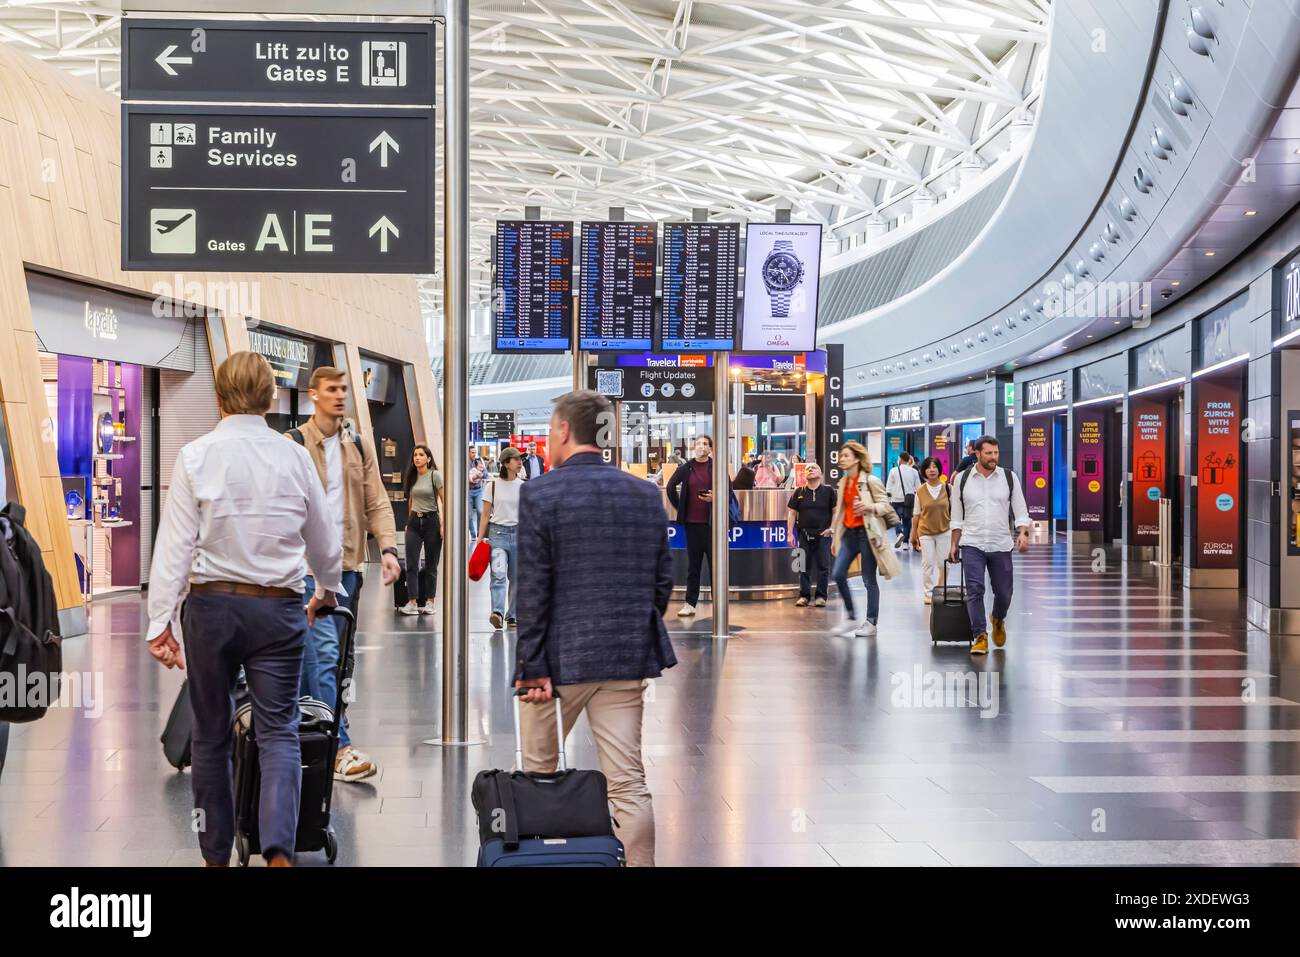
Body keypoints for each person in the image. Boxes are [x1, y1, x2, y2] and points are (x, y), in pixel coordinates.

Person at [146, 351, 343, 866]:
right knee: (279, 733)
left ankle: (215, 858)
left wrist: (159, 621)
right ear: (270, 396)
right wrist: (326, 589)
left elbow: (174, 547)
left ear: (218, 397)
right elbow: (324, 541)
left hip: (210, 609)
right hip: (278, 609)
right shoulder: (295, 455)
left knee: (211, 736)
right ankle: (278, 855)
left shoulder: (195, 456)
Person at [514, 390, 675, 868]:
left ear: (564, 430)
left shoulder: (540, 493)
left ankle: (539, 861)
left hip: (555, 668)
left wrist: (531, 666)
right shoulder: (645, 494)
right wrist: (632, 626)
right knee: (627, 780)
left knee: (539, 775)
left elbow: (533, 589)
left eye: (549, 428)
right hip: (625, 659)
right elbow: (663, 580)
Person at [288, 366, 401, 784]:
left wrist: (387, 548)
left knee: (327, 661)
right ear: (313, 395)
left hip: (348, 568)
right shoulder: (295, 445)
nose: (340, 396)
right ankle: (339, 747)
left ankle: (305, 737)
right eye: (332, 390)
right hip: (304, 570)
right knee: (325, 657)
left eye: (344, 389)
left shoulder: (358, 445)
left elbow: (376, 501)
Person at [948, 435, 1031, 656]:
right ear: (976, 453)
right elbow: (956, 517)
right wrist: (954, 544)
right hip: (972, 542)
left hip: (1001, 543)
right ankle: (980, 635)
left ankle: (998, 618)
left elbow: (1021, 511)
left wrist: (1023, 532)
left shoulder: (1008, 478)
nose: (994, 457)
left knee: (1004, 593)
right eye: (988, 453)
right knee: (975, 590)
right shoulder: (962, 480)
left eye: (996, 453)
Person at [665, 434, 735, 617]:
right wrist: (681, 506)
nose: (701, 446)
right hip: (691, 524)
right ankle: (690, 603)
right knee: (693, 566)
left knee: (715, 565)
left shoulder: (717, 468)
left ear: (711, 449)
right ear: (692, 447)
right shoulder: (686, 467)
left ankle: (718, 604)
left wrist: (715, 498)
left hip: (713, 524)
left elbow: (728, 493)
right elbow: (671, 487)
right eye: (698, 444)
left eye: (705, 444)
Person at [830, 441, 896, 637]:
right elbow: (841, 511)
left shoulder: (871, 481)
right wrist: (834, 533)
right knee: (839, 574)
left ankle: (871, 622)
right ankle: (850, 617)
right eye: (841, 456)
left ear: (857, 458)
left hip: (868, 534)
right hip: (849, 534)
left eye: (846, 456)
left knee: (868, 579)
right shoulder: (843, 483)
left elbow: (886, 506)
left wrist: (869, 508)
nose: (841, 459)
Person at [478, 446, 524, 630]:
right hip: (497, 535)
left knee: (516, 578)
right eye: (516, 459)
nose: (520, 462)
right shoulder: (493, 486)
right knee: (498, 575)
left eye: (520, 459)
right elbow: (484, 515)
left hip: (519, 534)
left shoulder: (523, 486)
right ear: (506, 463)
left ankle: (512, 616)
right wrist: (480, 539)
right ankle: (497, 612)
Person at [399, 444, 443, 617]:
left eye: (421, 455)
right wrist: (408, 521)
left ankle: (430, 601)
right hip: (414, 523)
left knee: (432, 564)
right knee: (411, 563)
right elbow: (411, 499)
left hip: (432, 521)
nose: (417, 458)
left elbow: (445, 500)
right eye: (415, 455)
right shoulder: (412, 476)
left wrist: (443, 524)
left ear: (428, 458)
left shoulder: (435, 476)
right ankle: (412, 602)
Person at [787, 461, 836, 607]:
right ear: (804, 475)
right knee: (803, 567)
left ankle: (821, 596)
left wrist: (832, 529)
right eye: (807, 469)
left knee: (823, 567)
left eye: (814, 467)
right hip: (803, 535)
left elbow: (835, 512)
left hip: (824, 535)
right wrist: (790, 533)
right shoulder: (798, 492)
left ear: (820, 474)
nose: (810, 469)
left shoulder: (829, 491)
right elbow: (792, 513)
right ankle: (804, 596)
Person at [910, 456, 952, 604]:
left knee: (944, 564)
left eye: (935, 467)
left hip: (945, 531)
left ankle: (940, 589)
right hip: (925, 532)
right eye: (928, 467)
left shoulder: (948, 488)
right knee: (927, 564)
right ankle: (928, 593)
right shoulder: (920, 491)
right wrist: (913, 535)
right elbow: (916, 515)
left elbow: (955, 513)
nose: (932, 470)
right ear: (924, 471)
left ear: (939, 469)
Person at [886, 451, 920, 550]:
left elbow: (888, 487)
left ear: (900, 459)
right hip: (909, 500)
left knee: (895, 520)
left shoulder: (893, 470)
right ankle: (905, 543)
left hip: (896, 499)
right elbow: (918, 488)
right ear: (909, 460)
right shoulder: (914, 472)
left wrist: (888, 499)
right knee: (907, 521)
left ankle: (899, 533)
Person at [468, 448, 486, 539]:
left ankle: (480, 533)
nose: (474, 454)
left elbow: (485, 474)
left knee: (480, 511)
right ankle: (473, 534)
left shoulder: (479, 461)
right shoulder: (464, 463)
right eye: (472, 452)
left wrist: (481, 474)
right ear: (468, 453)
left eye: (475, 452)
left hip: (479, 490)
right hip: (468, 491)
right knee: (469, 515)